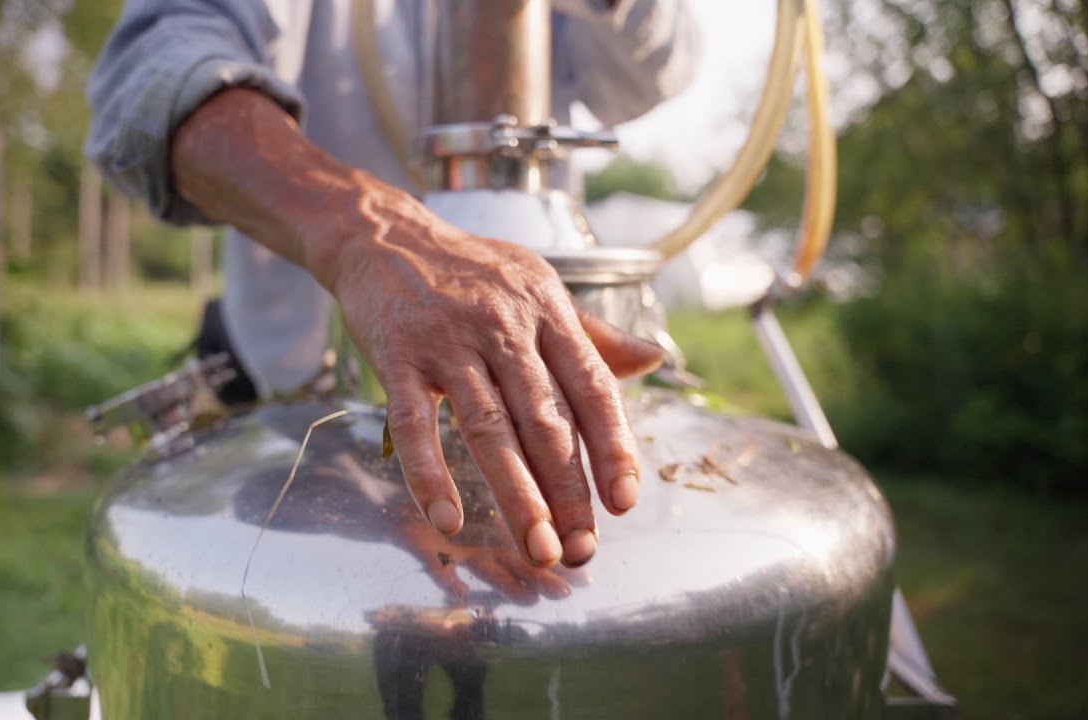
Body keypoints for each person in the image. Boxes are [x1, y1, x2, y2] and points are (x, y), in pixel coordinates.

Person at [87, 0, 700, 571]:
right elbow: (149, 75)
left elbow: (653, 75)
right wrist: (362, 231)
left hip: (542, 360)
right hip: (304, 428)